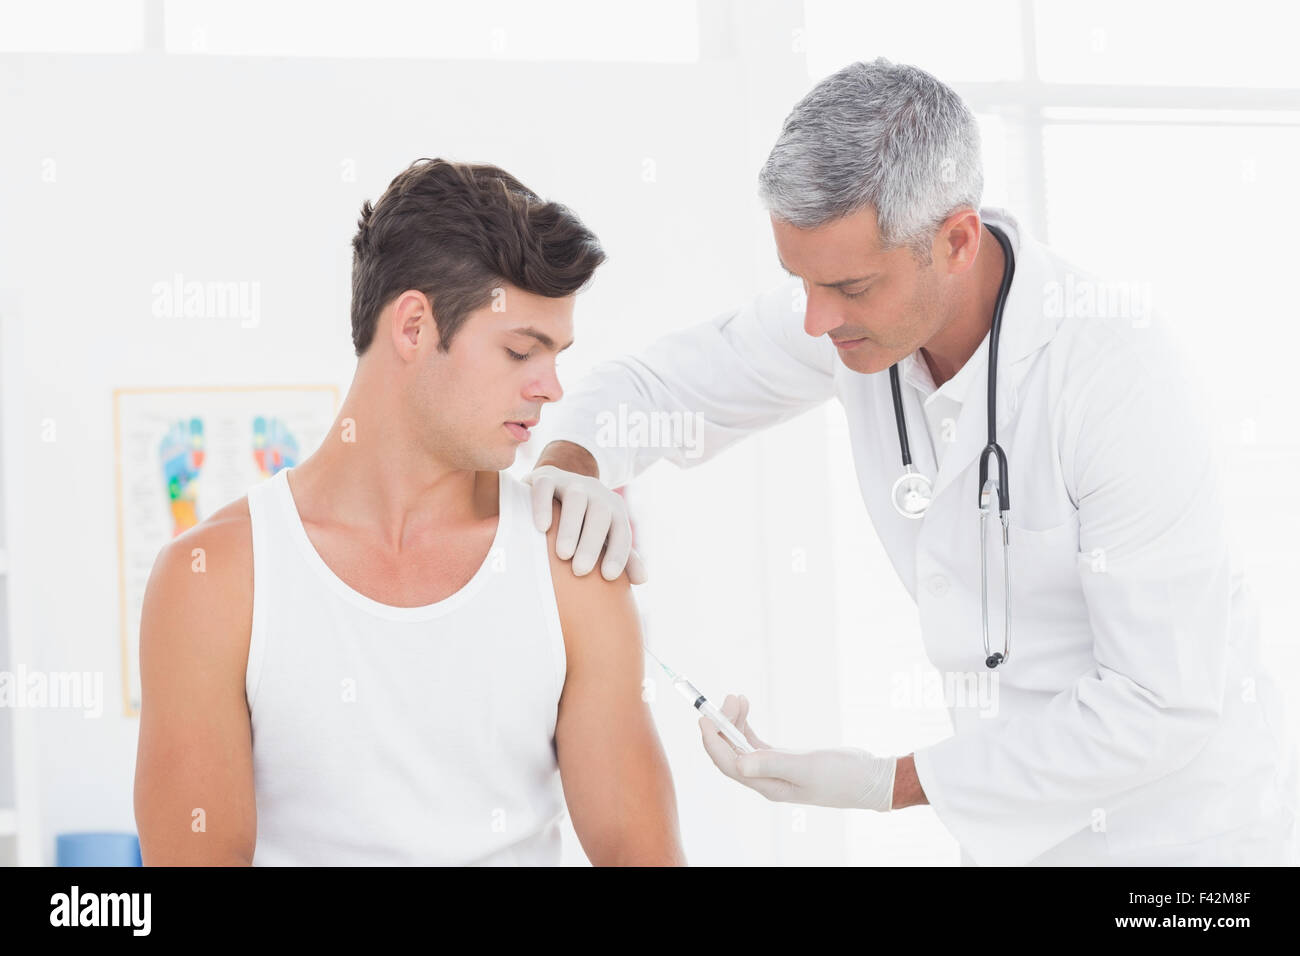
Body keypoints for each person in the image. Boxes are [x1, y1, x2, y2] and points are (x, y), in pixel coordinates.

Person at [525, 59, 1299, 866]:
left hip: (1186, 845)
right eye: (800, 282)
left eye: (849, 287)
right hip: (1018, 833)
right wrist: (574, 461)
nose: (818, 319)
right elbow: (656, 387)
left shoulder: (1115, 377)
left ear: (956, 240)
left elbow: (1160, 704)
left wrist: (885, 783)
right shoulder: (852, 315)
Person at [134, 158, 686, 866]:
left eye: (556, 355)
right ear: (415, 326)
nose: (551, 388)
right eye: (522, 351)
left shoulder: (569, 566)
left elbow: (639, 856)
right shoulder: (212, 580)